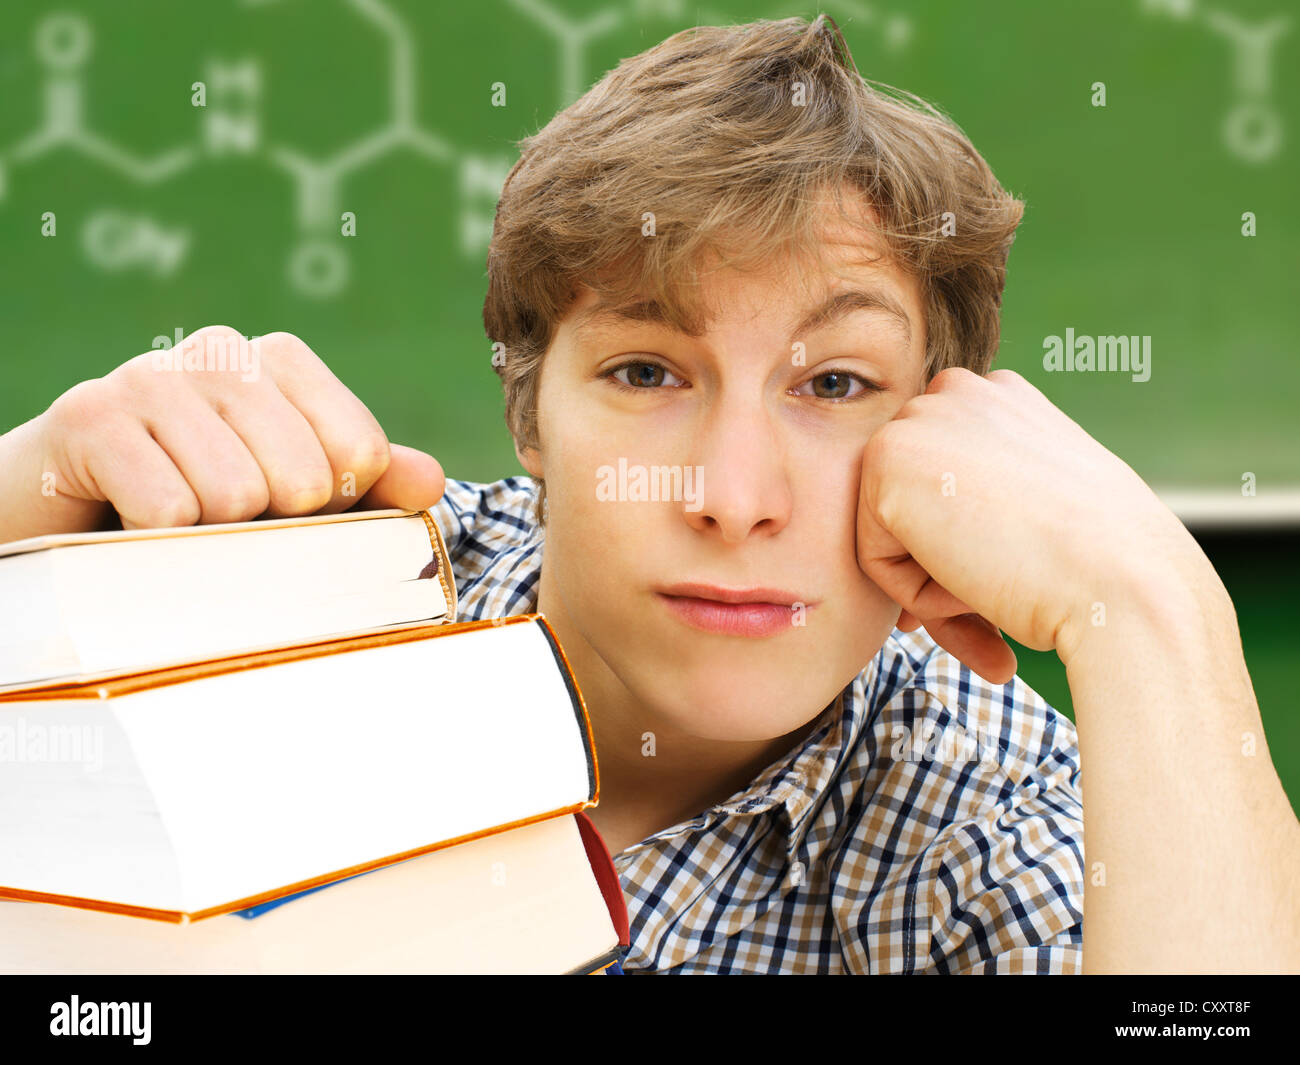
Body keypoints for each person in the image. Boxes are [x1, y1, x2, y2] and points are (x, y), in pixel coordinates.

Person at [0, 15, 1295, 973]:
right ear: (528, 412)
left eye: (836, 384)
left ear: (943, 437)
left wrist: (1155, 603)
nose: (734, 498)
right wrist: (27, 494)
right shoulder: (314, 593)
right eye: (644, 369)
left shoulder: (987, 817)